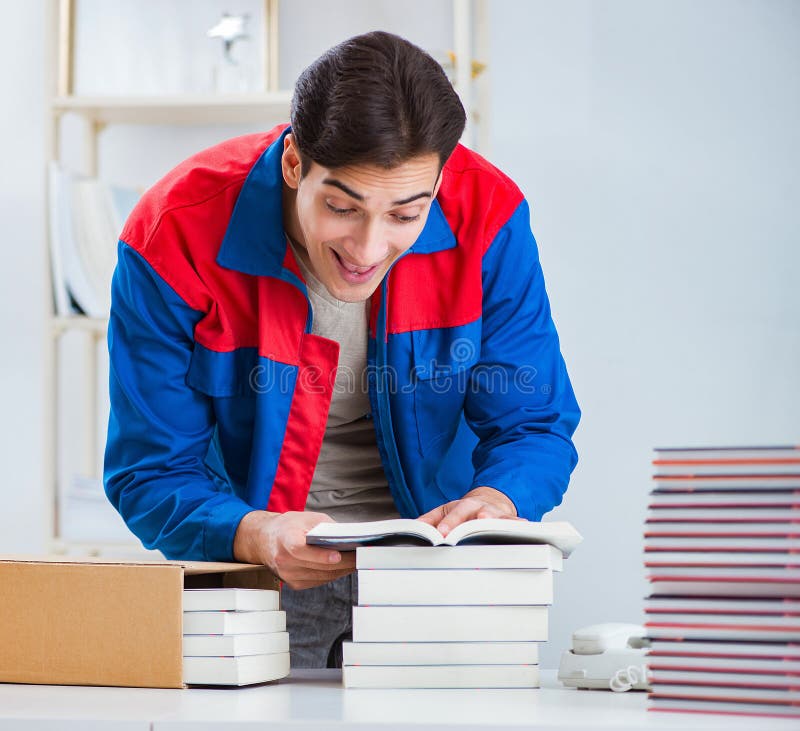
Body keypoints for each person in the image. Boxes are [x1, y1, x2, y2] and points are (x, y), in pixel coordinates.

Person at [104, 31, 580, 668]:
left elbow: (536, 423)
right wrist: (254, 533)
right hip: (261, 578)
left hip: (438, 577)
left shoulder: (489, 216)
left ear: (439, 184)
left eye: (407, 215)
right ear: (294, 163)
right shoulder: (175, 232)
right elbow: (151, 471)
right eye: (341, 207)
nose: (367, 248)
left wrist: (499, 499)